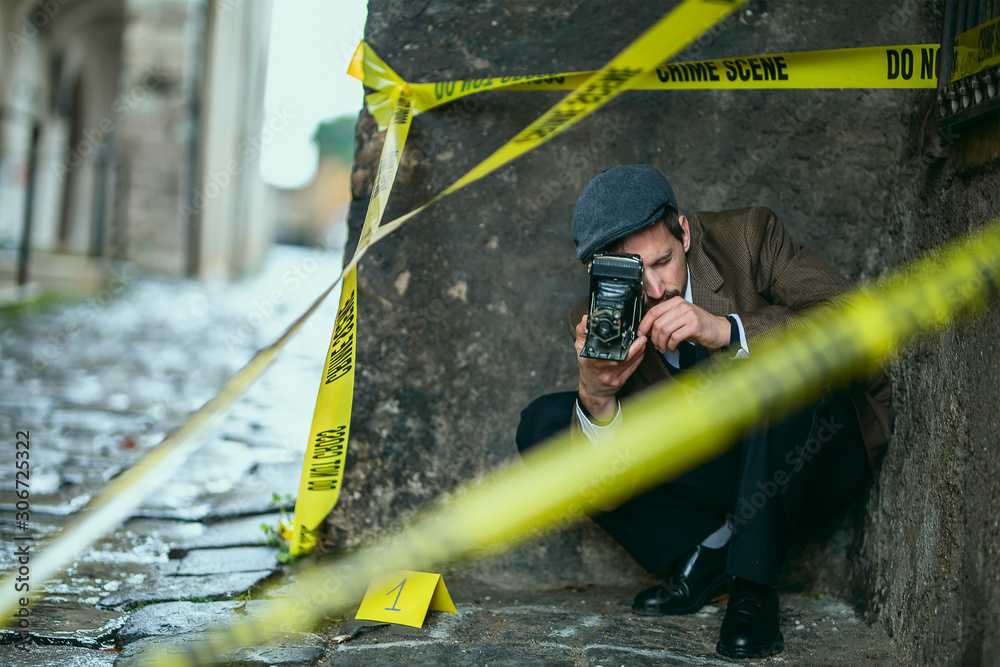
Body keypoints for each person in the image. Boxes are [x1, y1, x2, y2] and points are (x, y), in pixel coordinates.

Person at [515, 165, 893, 659]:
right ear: (598, 273)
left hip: (818, 448)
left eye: (664, 261)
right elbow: (607, 496)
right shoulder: (596, 322)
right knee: (544, 425)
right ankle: (708, 550)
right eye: (633, 273)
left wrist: (729, 331)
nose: (654, 289)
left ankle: (752, 585)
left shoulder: (748, 237)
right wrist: (597, 397)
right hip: (727, 469)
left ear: (686, 232)